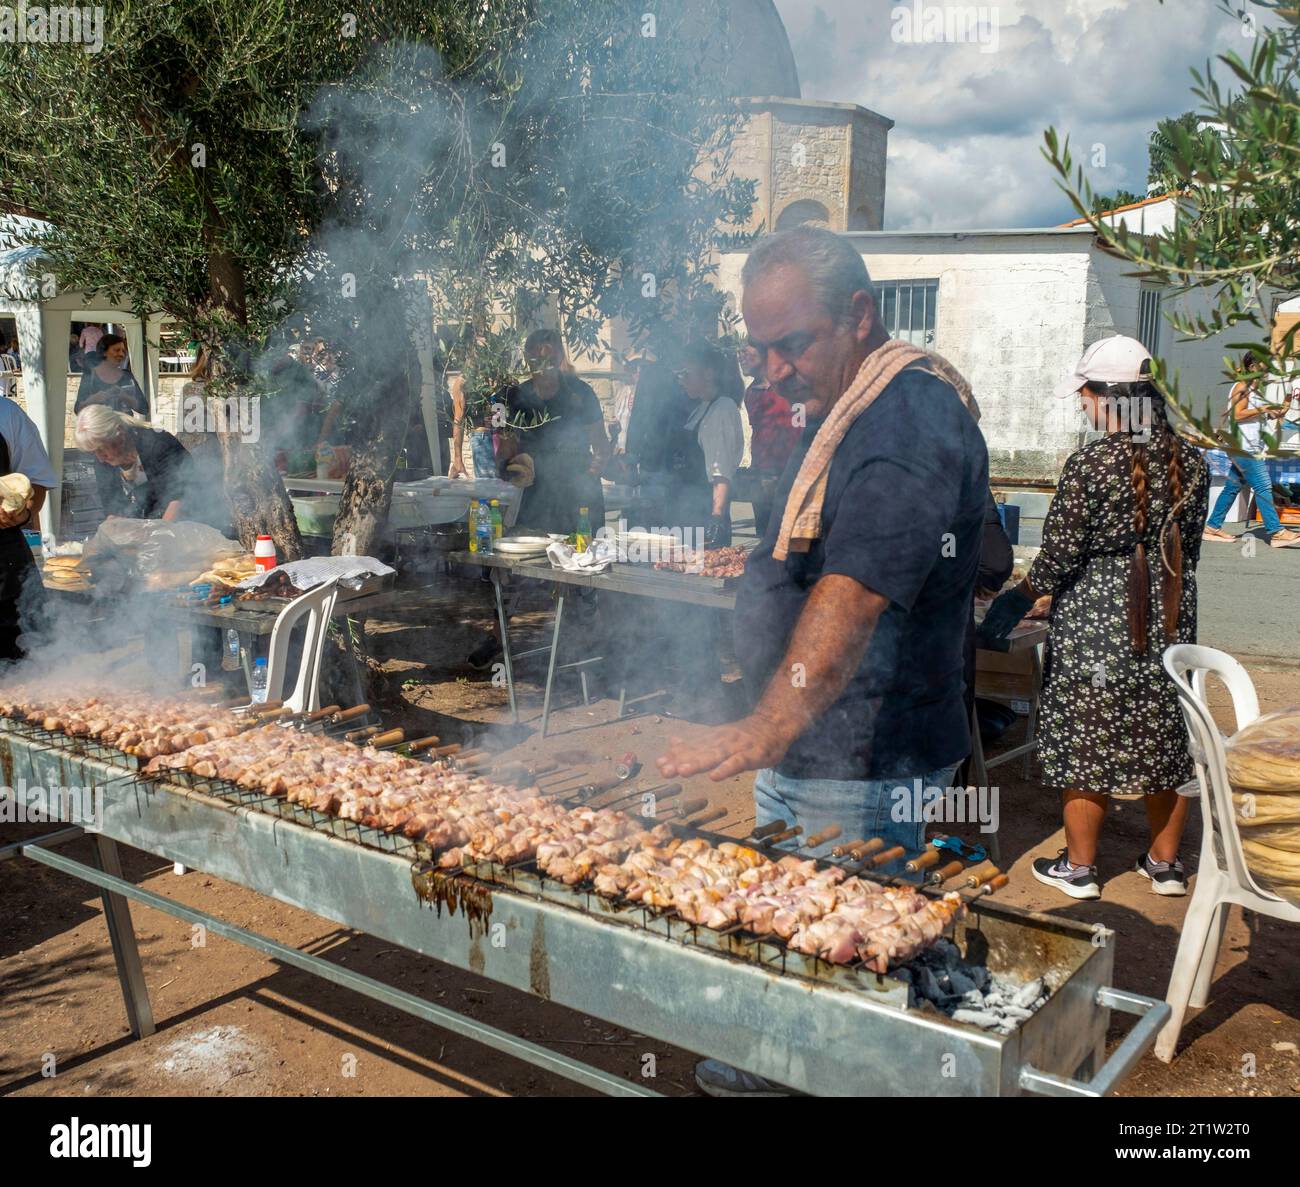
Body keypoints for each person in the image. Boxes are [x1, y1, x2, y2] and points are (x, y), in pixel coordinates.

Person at [659, 226, 987, 1098]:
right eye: (754, 349)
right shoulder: (847, 404)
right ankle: (781, 1059)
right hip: (812, 743)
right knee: (797, 916)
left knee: (853, 940)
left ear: (859, 315)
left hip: (865, 754)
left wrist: (769, 720)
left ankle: (844, 1073)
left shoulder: (908, 416)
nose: (770, 371)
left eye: (790, 345)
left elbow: (857, 588)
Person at [980, 336, 1210, 901]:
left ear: (1108, 398)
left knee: (1086, 740)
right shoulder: (1194, 460)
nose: (1081, 406)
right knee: (1166, 738)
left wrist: (1016, 600)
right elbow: (1193, 548)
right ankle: (1165, 864)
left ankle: (1080, 870)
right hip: (1171, 617)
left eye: (1083, 395)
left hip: (1096, 624)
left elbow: (1058, 558)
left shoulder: (1090, 463)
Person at [497, 329, 608, 534]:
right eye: (537, 359)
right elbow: (504, 451)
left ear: (559, 358)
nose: (544, 366)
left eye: (549, 359)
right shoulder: (512, 397)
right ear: (528, 360)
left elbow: (601, 447)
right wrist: (509, 469)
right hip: (535, 497)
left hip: (578, 497)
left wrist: (588, 479)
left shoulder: (582, 393)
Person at [1201, 354, 1300, 548]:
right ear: (1253, 366)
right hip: (1244, 447)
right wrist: (1263, 409)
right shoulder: (1243, 386)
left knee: (1232, 487)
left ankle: (1212, 526)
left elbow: (1250, 415)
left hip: (1247, 445)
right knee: (1263, 486)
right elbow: (1238, 414)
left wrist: (1276, 410)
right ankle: (1277, 531)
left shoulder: (1253, 389)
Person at [0, 397, 56, 662]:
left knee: (33, 663)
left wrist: (21, 514)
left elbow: (36, 482)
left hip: (6, 572)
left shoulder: (7, 414)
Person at [673, 339, 744, 547]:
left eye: (687, 374)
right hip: (689, 508)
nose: (682, 380)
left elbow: (720, 472)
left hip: (705, 511)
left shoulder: (722, 409)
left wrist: (716, 518)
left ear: (709, 374)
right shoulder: (703, 407)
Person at [75, 405, 195, 521]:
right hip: (147, 529)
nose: (100, 458)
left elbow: (181, 496)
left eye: (101, 449)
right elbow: (112, 510)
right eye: (94, 452)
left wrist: (160, 536)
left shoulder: (159, 443)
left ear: (119, 433)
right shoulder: (103, 463)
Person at [739, 338, 799, 536]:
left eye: (746, 353)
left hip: (791, 477)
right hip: (761, 477)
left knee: (794, 538)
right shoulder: (750, 393)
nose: (741, 358)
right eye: (739, 354)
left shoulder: (790, 387)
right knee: (764, 538)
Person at [74, 333, 148, 416]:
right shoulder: (90, 375)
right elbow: (77, 410)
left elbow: (144, 409)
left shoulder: (127, 376)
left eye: (123, 351)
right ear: (104, 352)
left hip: (124, 427)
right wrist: (92, 400)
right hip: (99, 427)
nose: (121, 354)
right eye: (117, 350)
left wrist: (125, 397)